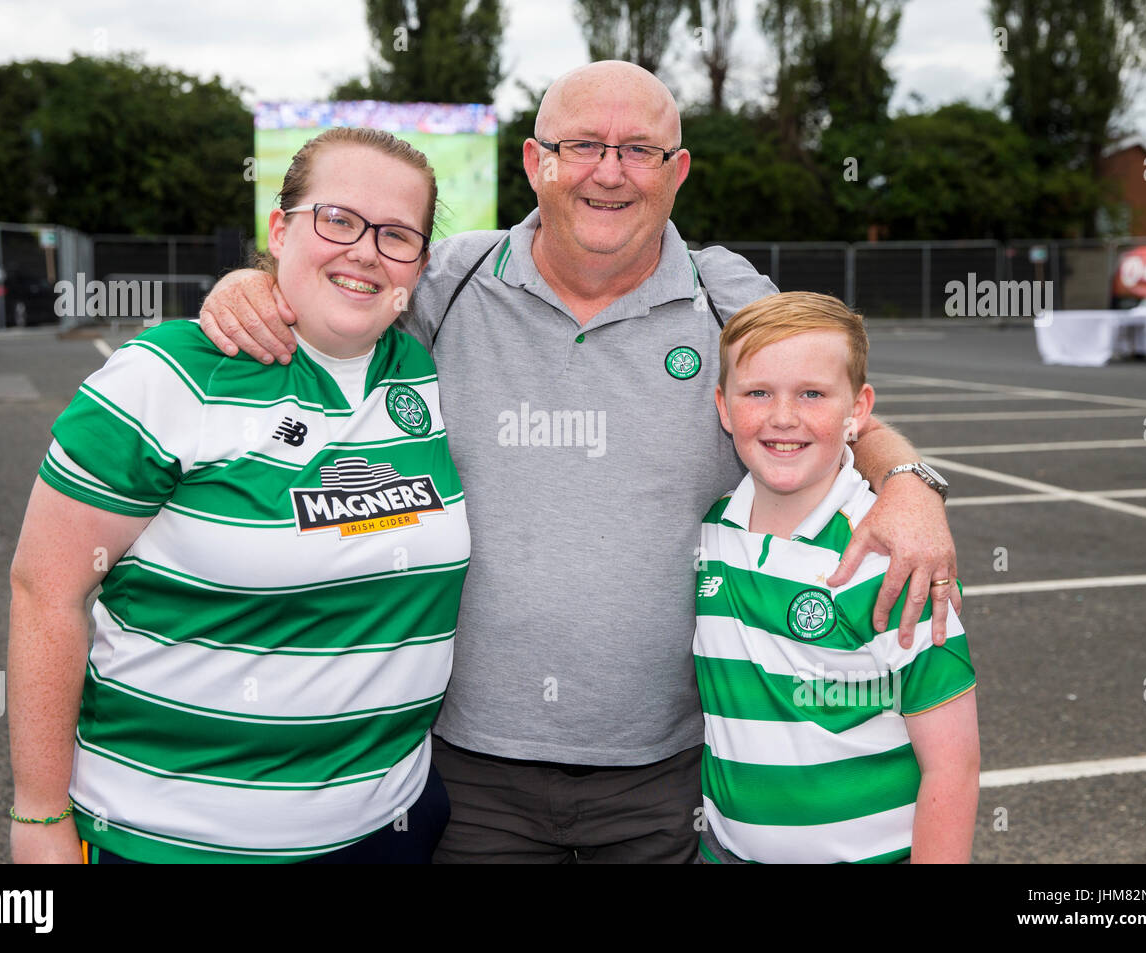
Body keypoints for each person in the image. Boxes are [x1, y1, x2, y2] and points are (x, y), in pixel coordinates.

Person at [199, 61, 960, 863]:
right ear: (536, 163)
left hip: (671, 772)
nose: (609, 171)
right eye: (583, 145)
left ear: (678, 172)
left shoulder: (724, 291)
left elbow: (820, 398)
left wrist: (906, 481)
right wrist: (250, 284)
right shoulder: (449, 278)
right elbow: (339, 290)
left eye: (639, 150)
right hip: (469, 767)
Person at [7, 128, 470, 863]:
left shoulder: (428, 371)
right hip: (165, 840)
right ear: (280, 229)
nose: (364, 250)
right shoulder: (164, 376)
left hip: (388, 831)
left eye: (397, 235)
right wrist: (37, 816)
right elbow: (45, 592)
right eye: (338, 219)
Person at [697, 291, 979, 864]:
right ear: (724, 407)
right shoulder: (711, 533)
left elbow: (953, 767)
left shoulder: (893, 558)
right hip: (723, 852)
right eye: (758, 393)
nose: (783, 416)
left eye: (812, 394)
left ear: (858, 410)